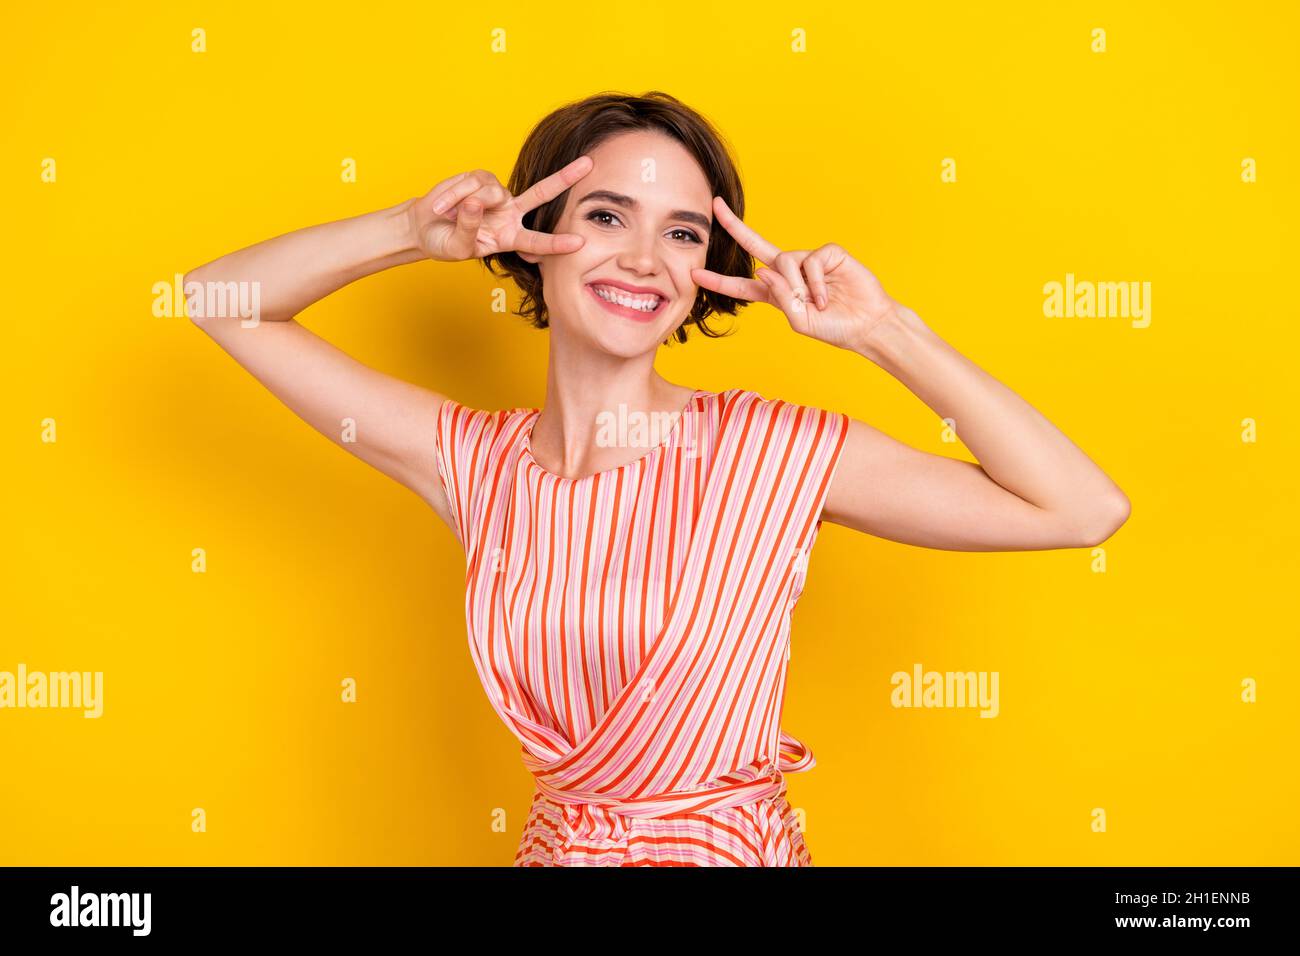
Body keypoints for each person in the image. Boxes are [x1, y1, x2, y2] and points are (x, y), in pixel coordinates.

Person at [183, 90, 1129, 866]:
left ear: (704, 267)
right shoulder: (472, 461)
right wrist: (407, 232)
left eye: (682, 233)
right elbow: (220, 302)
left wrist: (884, 332)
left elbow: (1082, 509)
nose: (644, 259)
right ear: (532, 235)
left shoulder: (773, 453)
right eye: (605, 217)